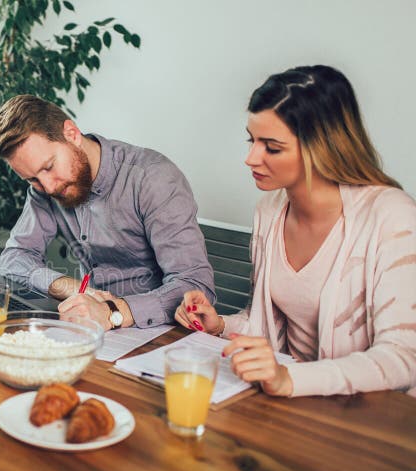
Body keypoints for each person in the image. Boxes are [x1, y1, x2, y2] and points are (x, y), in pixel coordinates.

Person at [175, 65, 416, 397]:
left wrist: (289, 378)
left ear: (323, 147)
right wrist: (218, 325)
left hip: (367, 417)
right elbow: (263, 325)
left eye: (271, 147)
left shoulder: (392, 216)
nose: (250, 158)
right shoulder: (269, 211)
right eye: (252, 140)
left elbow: (403, 357)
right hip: (288, 404)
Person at [0, 94, 215, 331]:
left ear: (72, 134)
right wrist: (70, 287)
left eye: (48, 167)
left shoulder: (152, 178)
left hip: (157, 334)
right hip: (90, 330)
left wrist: (111, 312)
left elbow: (195, 284)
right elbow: (14, 258)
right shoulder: (47, 187)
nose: (49, 187)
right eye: (32, 179)